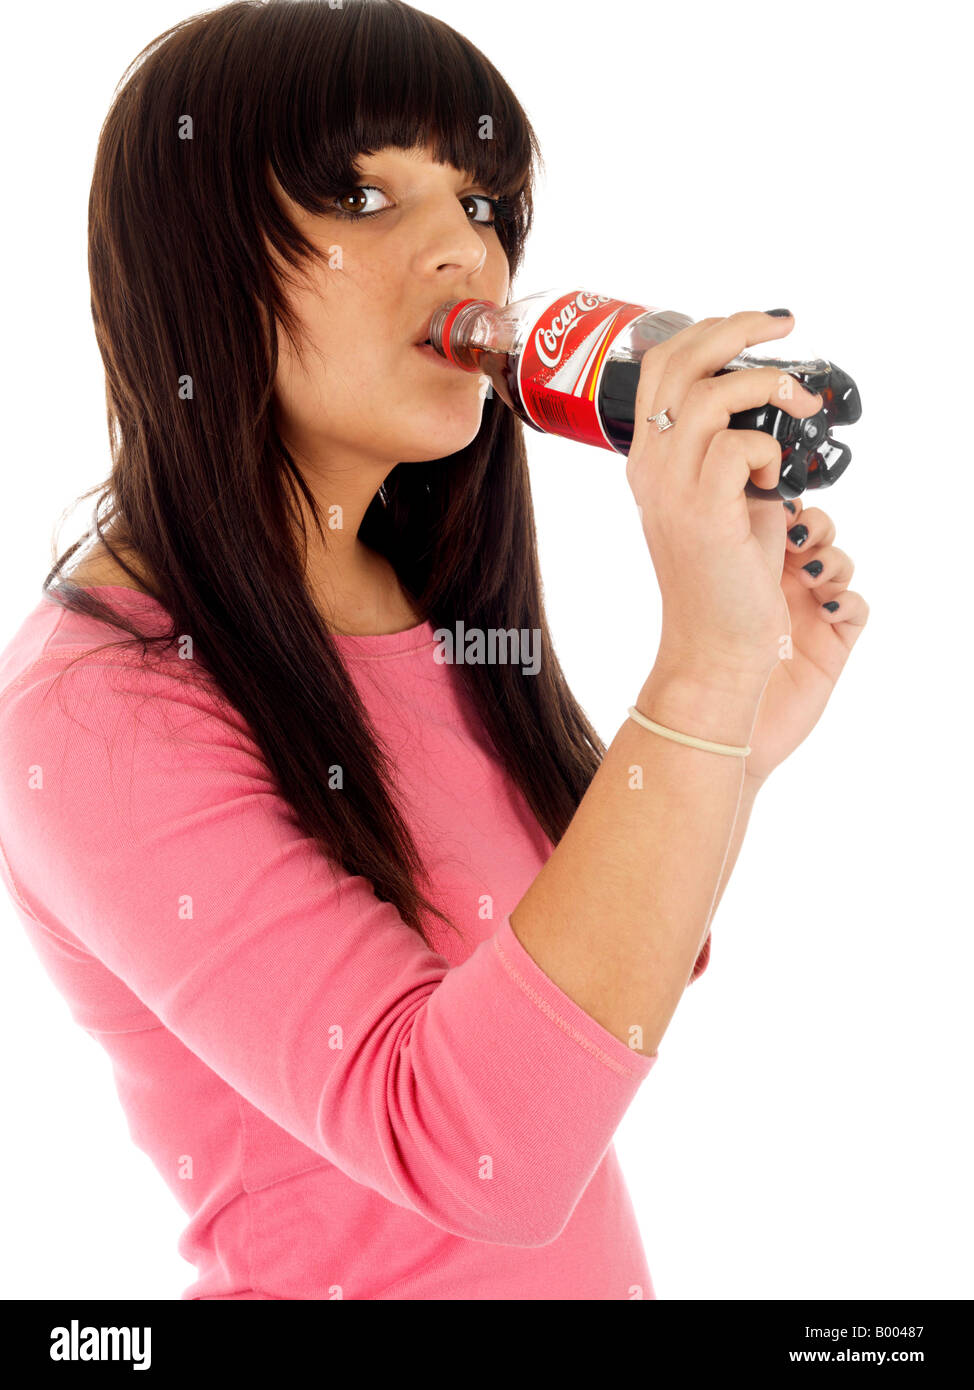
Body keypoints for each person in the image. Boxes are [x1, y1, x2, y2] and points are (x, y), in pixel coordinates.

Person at [0, 0, 868, 1301]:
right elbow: (480, 1149)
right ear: (191, 251)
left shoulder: (414, 591)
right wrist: (691, 672)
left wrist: (735, 724)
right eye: (359, 193)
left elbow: (570, 1019)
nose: (464, 249)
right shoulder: (95, 708)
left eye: (483, 200)